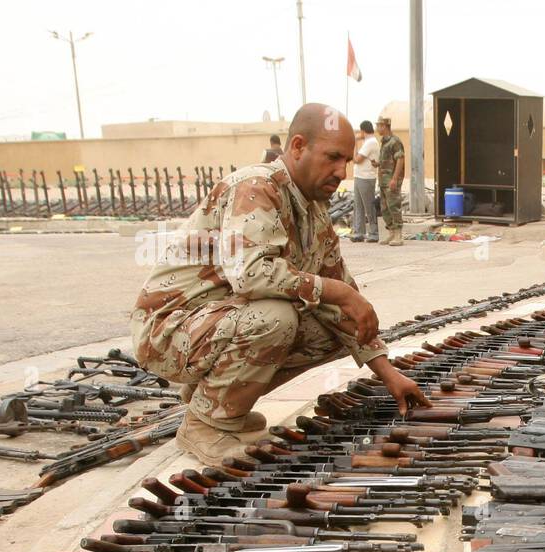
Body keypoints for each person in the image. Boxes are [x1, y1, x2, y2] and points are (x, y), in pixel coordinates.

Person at [130, 103, 430, 465]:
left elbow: (342, 303)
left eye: (347, 162)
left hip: (212, 325)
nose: (341, 171)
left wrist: (389, 374)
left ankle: (219, 403)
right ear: (298, 146)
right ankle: (204, 425)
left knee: (332, 327)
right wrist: (339, 293)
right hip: (167, 330)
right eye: (332, 157)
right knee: (277, 317)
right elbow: (252, 274)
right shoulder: (256, 187)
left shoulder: (313, 207)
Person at [375, 116, 406, 246]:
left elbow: (400, 159)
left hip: (391, 180)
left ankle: (398, 234)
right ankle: (391, 233)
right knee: (385, 207)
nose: (377, 128)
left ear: (384, 126)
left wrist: (394, 179)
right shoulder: (384, 142)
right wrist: (377, 164)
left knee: (394, 205)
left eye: (378, 125)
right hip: (383, 180)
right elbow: (387, 161)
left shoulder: (395, 141)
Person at [351, 119, 381, 243]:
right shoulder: (367, 142)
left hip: (366, 178)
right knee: (358, 205)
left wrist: (354, 144)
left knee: (369, 206)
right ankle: (359, 232)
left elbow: (357, 159)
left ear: (363, 131)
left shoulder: (371, 143)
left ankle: (374, 232)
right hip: (359, 176)